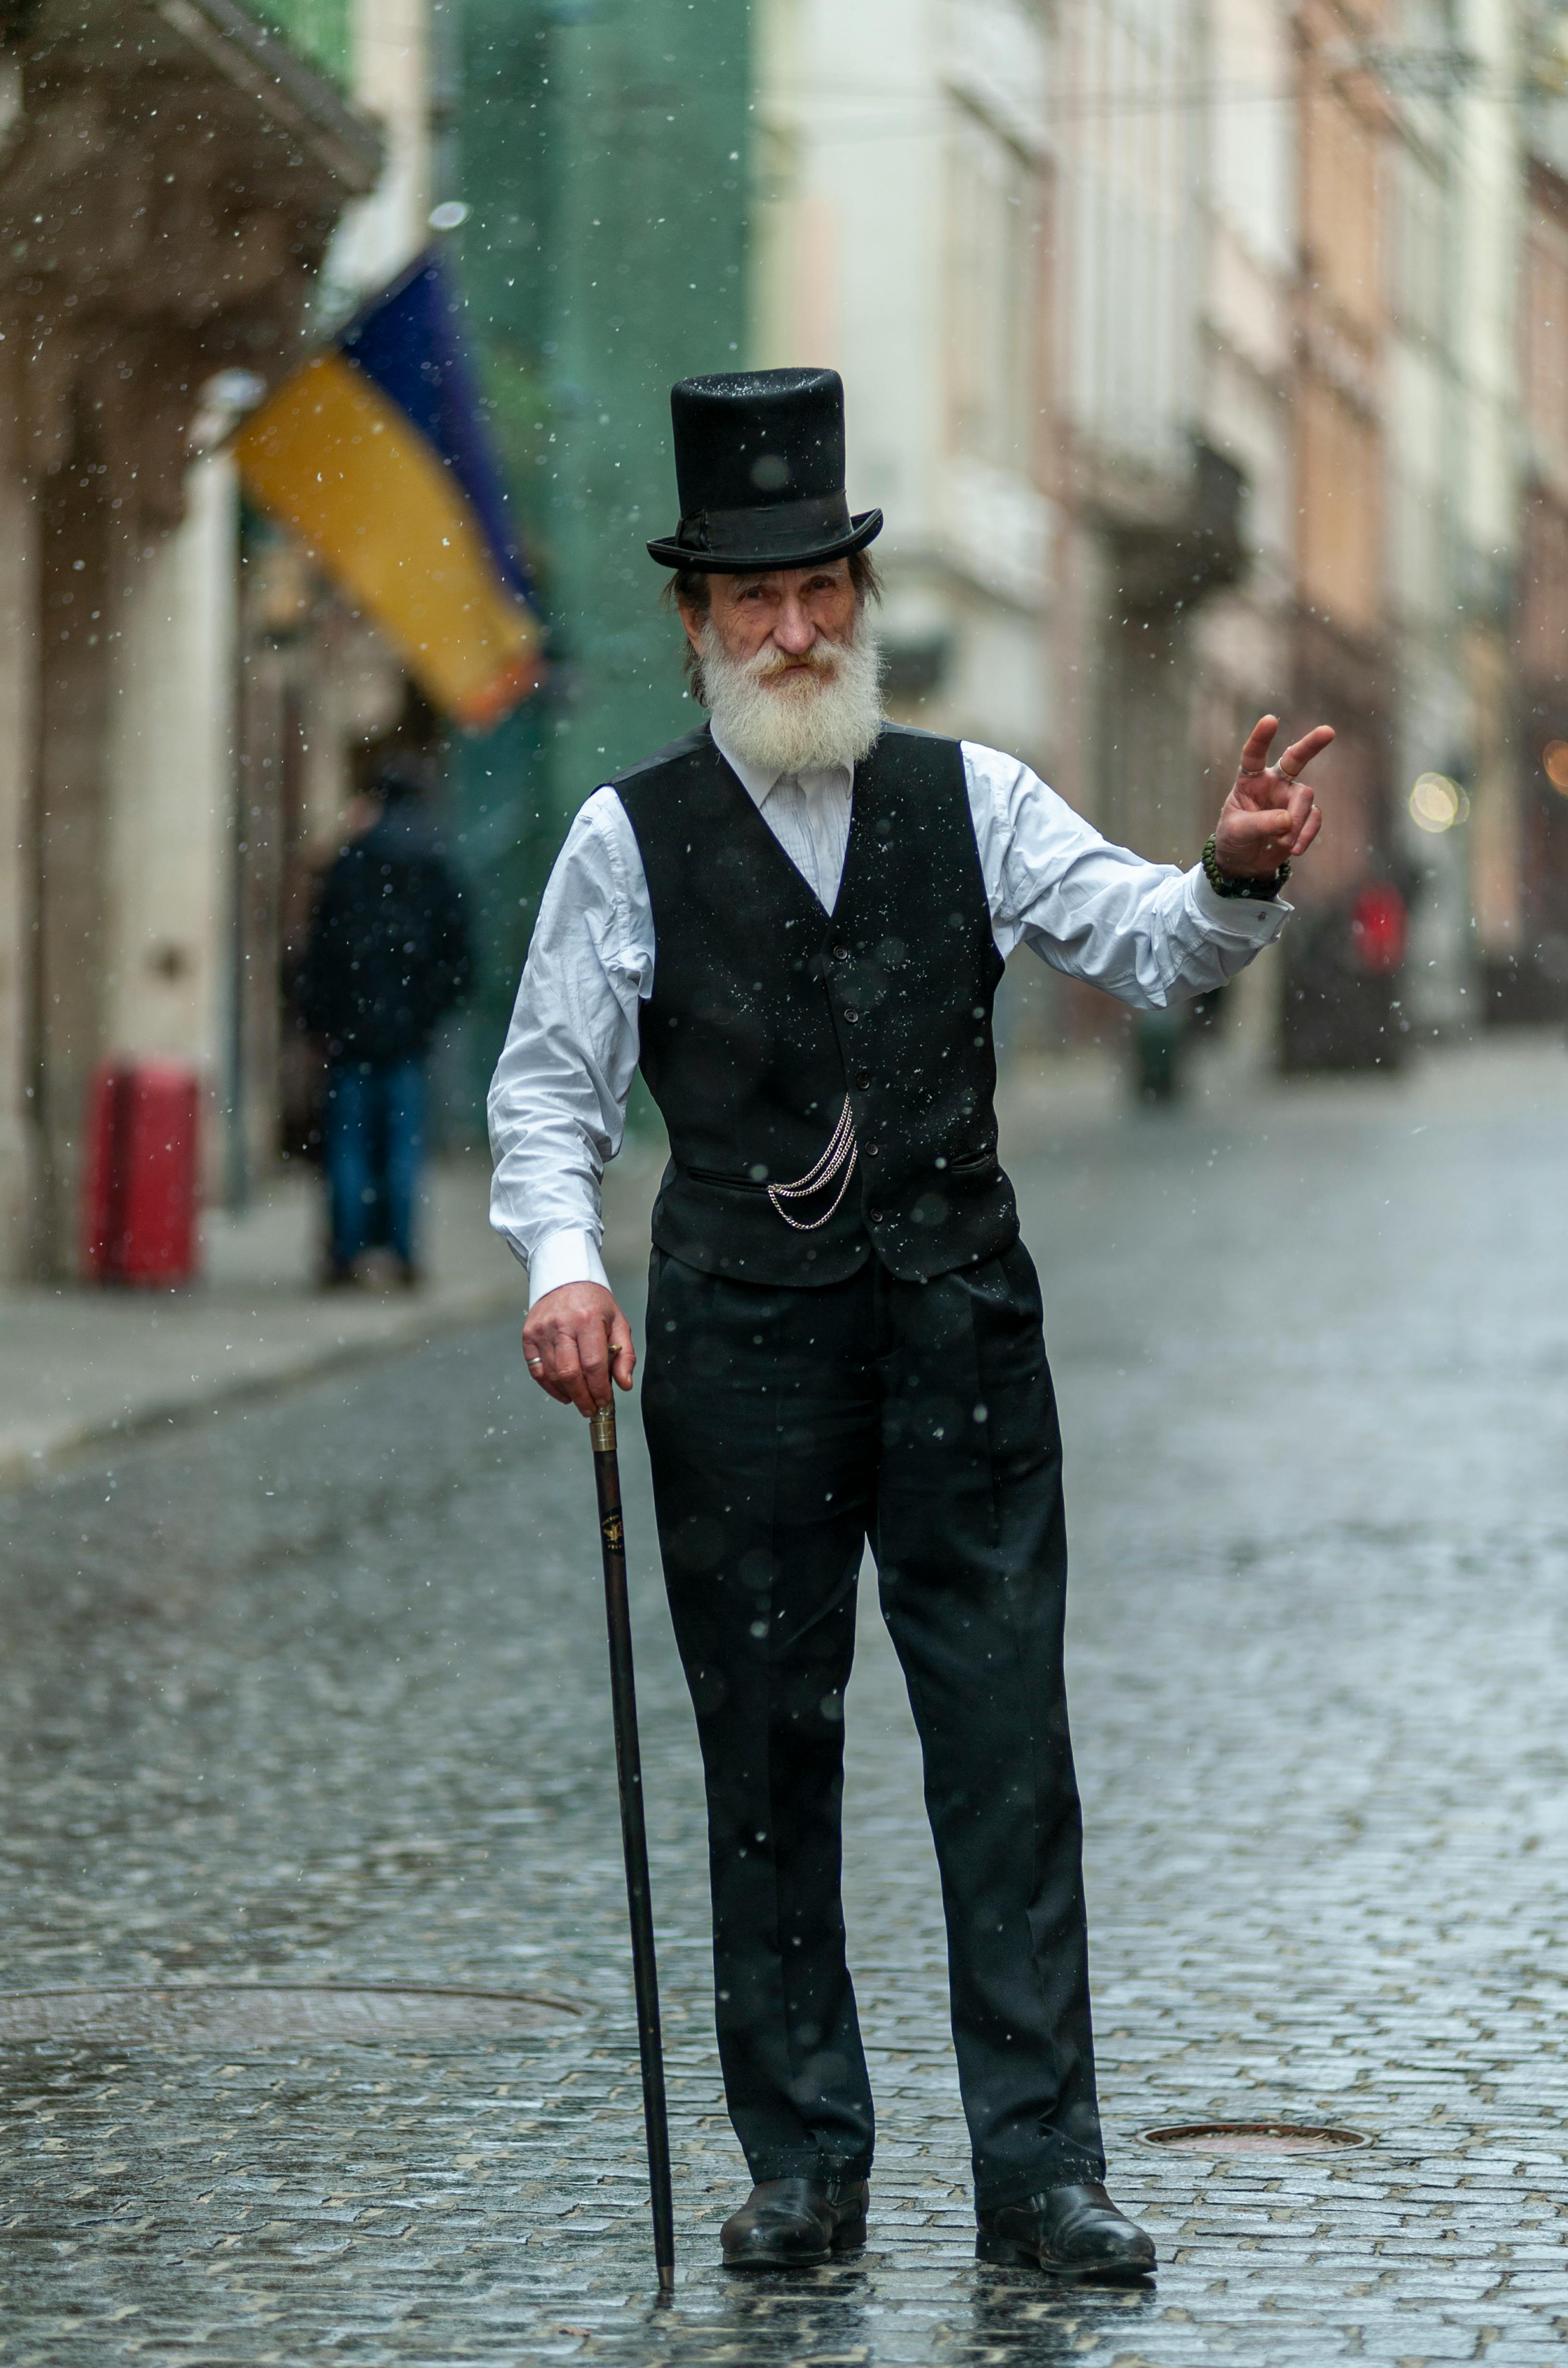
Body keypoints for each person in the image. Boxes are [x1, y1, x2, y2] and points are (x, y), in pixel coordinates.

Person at [488, 370, 1332, 2279]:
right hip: (745, 1353)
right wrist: (564, 1264)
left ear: (858, 597)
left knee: (1005, 1746)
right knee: (769, 1757)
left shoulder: (975, 795)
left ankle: (1041, 2166)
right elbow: (548, 1095)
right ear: (697, 622)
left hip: (962, 1336)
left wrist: (1239, 874)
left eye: (821, 592)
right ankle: (805, 2159)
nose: (796, 629)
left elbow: (1145, 939)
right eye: (754, 601)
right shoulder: (628, 841)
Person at [297, 751, 472, 1288]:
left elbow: (320, 949)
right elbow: (458, 951)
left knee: (347, 1146)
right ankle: (401, 1252)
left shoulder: (351, 858)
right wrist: (429, 1009)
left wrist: (320, 1018)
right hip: (406, 1033)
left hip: (350, 1032)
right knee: (403, 1147)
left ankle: (346, 1253)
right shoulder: (435, 857)